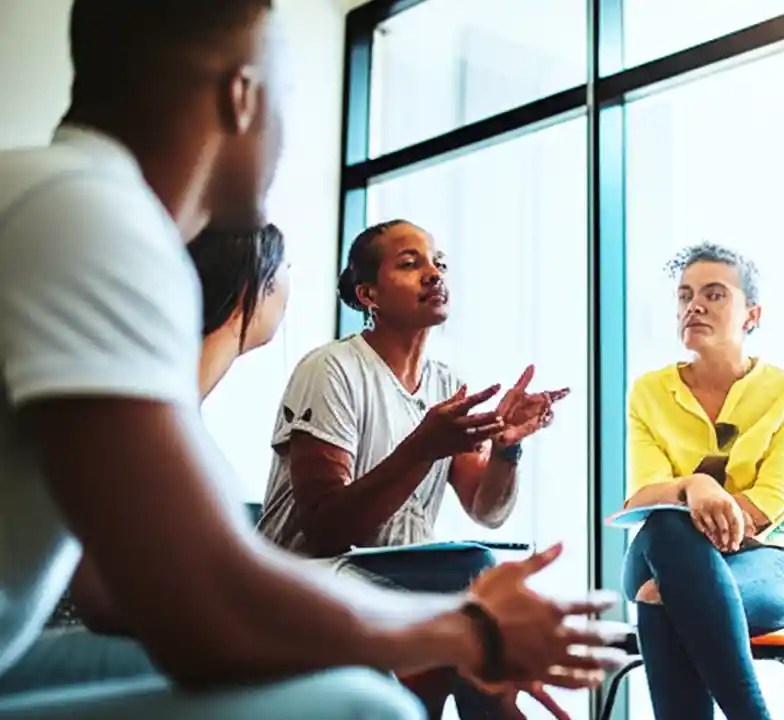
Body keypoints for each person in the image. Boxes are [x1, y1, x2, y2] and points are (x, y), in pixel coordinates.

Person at [0, 2, 615, 718]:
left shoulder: (61, 200)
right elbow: (211, 592)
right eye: (288, 99)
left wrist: (502, 459)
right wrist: (464, 630)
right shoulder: (90, 218)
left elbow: (115, 588)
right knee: (360, 704)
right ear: (243, 96)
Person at [255, 218, 570, 718]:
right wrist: (422, 447)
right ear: (368, 294)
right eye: (410, 263)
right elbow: (324, 530)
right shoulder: (331, 369)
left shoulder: (448, 385)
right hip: (305, 580)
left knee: (472, 579)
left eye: (438, 263)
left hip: (401, 587)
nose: (434, 274)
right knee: (472, 580)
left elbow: (486, 511)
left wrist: (508, 449)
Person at [1, 223, 292, 695]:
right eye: (288, 268)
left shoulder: (171, 415)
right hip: (45, 644)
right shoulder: (143, 416)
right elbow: (105, 595)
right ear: (253, 288)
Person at [619, 242, 784, 720]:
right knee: (668, 529)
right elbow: (643, 496)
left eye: (714, 294)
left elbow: (775, 497)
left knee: (662, 597)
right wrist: (697, 488)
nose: (695, 305)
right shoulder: (650, 391)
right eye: (686, 295)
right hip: (663, 553)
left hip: (775, 561)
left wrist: (693, 503)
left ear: (751, 315)